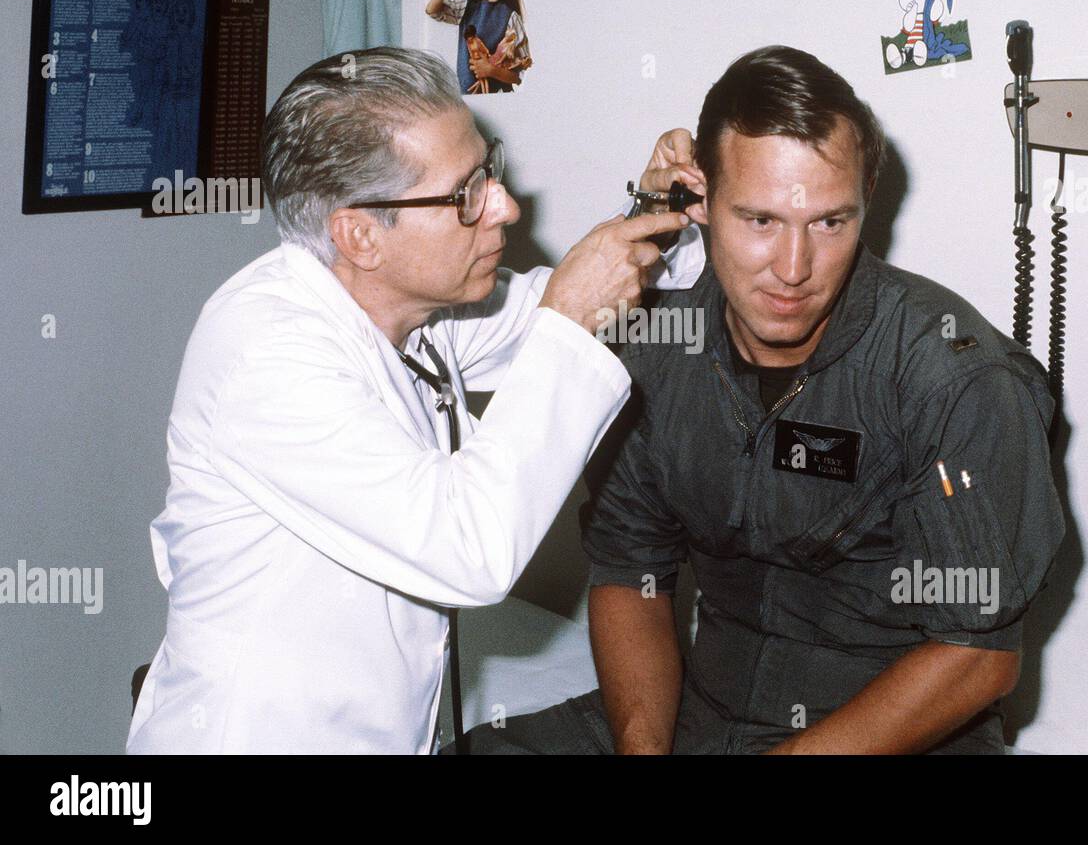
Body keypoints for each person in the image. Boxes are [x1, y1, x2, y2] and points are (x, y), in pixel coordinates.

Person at [461, 45, 1067, 755]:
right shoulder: (657, 347)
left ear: (867, 198)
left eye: (830, 223)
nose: (793, 268)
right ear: (701, 199)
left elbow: (978, 654)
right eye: (759, 221)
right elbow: (633, 572)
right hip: (707, 711)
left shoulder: (955, 379)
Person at [125, 46, 702, 754]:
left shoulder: (407, 308)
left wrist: (652, 210)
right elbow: (471, 549)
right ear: (360, 234)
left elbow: (563, 307)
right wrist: (569, 320)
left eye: (487, 170)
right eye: (467, 194)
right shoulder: (263, 355)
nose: (506, 206)